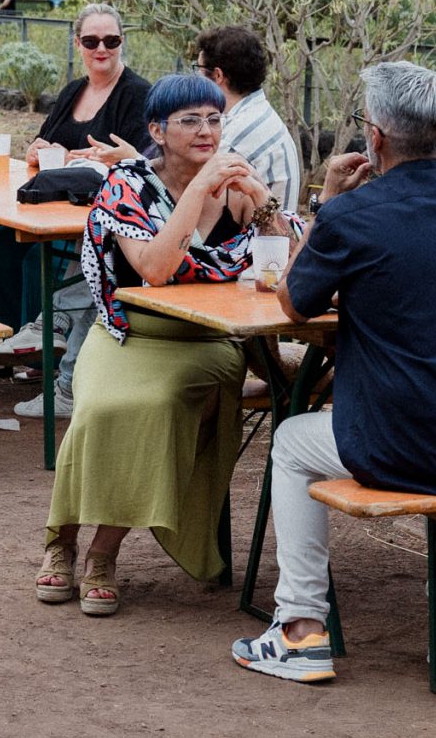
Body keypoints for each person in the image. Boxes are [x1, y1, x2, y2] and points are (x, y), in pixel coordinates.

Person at [230, 62, 436, 686]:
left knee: (293, 440)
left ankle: (300, 629)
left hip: (402, 443)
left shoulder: (355, 215)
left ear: (373, 137)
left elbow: (294, 302)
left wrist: (327, 202)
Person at [36, 72, 296, 617]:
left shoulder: (237, 185)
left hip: (207, 340)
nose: (207, 131)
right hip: (131, 332)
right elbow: (155, 269)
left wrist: (265, 202)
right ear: (157, 129)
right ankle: (61, 538)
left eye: (214, 118)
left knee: (156, 407)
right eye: (190, 121)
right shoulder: (126, 185)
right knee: (100, 410)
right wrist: (200, 188)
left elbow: (297, 266)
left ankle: (102, 553)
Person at [0, 2, 149, 409]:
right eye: (91, 41)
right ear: (78, 44)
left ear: (122, 42)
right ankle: (8, 342)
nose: (101, 48)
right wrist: (39, 148)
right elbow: (45, 141)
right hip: (52, 203)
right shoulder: (74, 89)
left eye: (111, 40)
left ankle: (44, 357)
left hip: (100, 214)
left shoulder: (137, 94)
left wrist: (72, 157)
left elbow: (135, 157)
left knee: (39, 255)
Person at [194, 25, 303, 214]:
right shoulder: (255, 114)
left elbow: (189, 194)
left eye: (199, 69)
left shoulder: (238, 134)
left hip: (258, 238)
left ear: (218, 75)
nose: (195, 77)